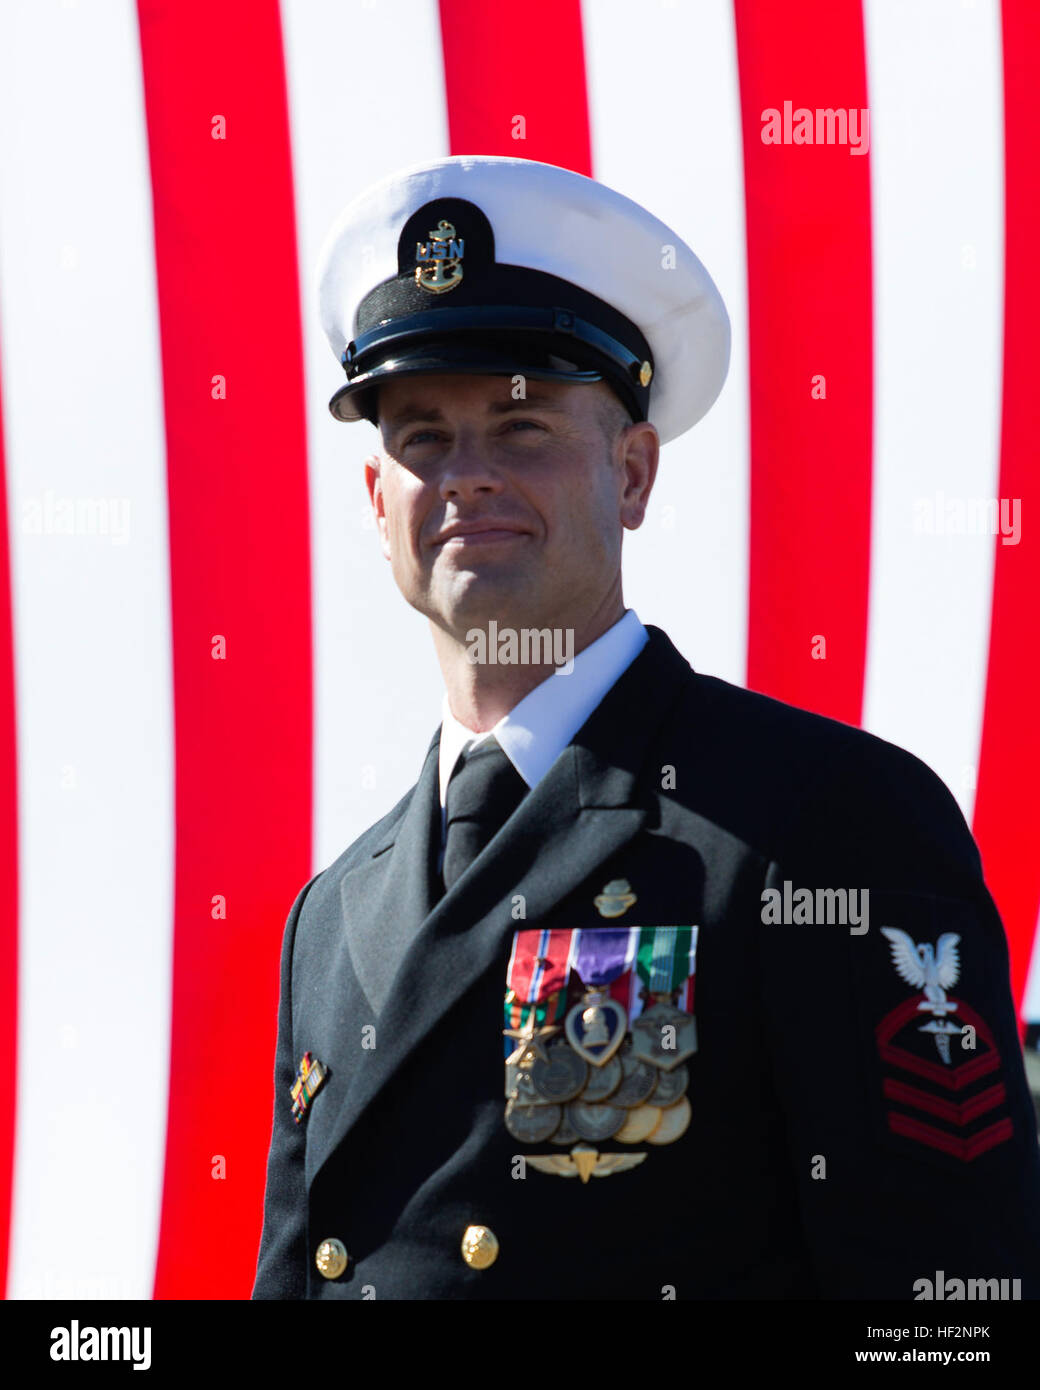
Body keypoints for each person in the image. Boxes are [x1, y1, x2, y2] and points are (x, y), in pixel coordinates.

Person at [252, 155, 1040, 1300]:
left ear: (631, 474)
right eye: (422, 436)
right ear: (379, 507)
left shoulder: (824, 823)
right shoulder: (330, 916)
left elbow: (944, 1303)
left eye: (520, 426)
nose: (466, 475)